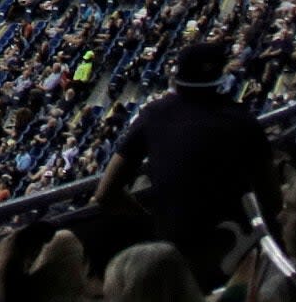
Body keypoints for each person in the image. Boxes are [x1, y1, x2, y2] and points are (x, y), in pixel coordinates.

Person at [93, 39, 276, 280]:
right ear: (221, 76)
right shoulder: (244, 120)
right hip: (236, 250)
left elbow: (105, 193)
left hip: (174, 251)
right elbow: (272, 198)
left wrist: (152, 222)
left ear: (176, 76)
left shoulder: (153, 114)